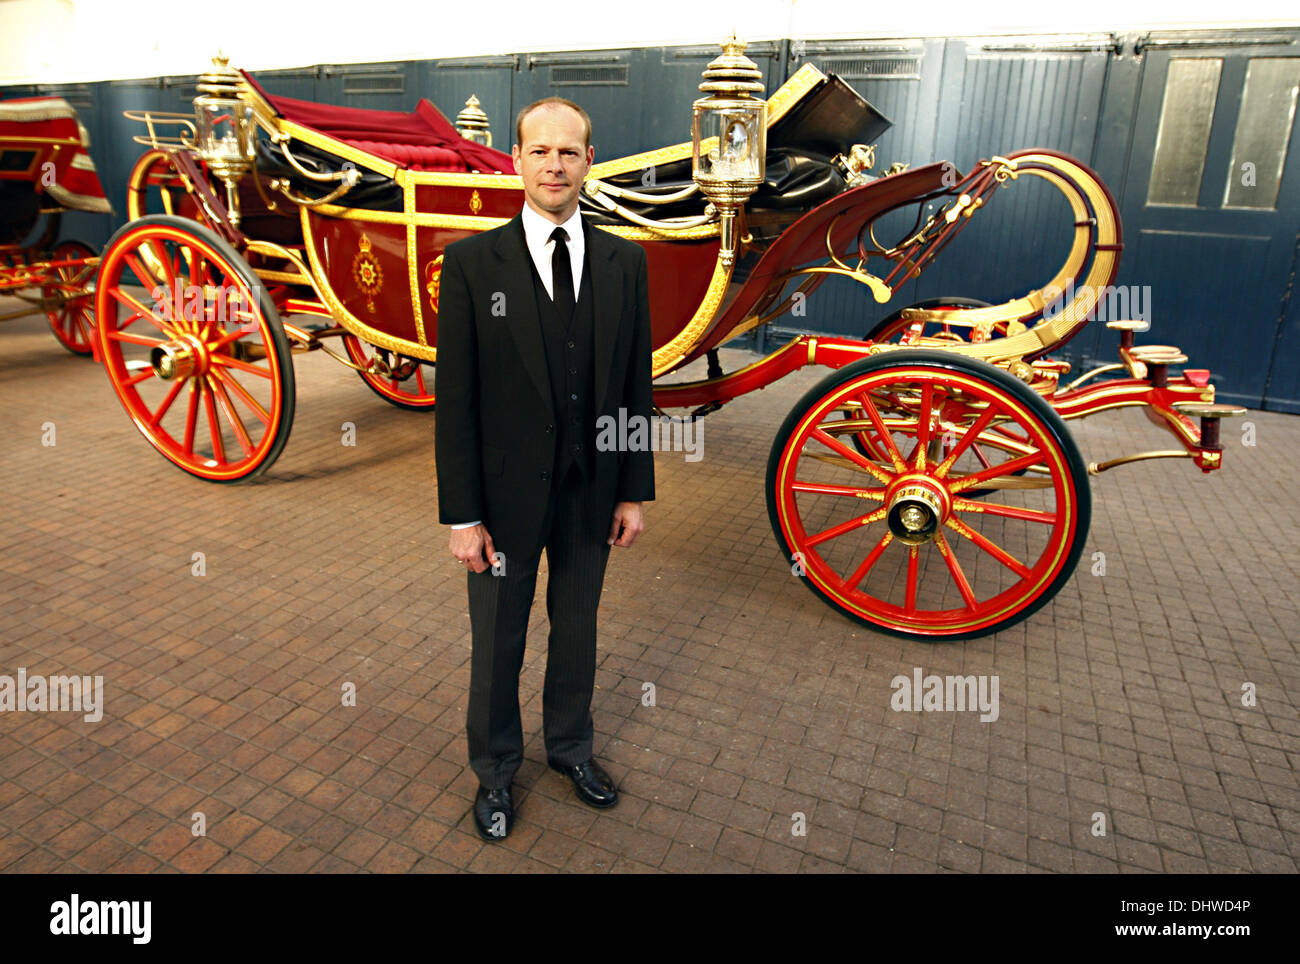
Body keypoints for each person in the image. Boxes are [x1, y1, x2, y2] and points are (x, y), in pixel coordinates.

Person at [435, 96, 655, 841]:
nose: (554, 165)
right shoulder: (470, 265)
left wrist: (632, 491)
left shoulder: (627, 262)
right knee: (499, 641)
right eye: (539, 151)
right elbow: (455, 402)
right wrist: (462, 515)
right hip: (500, 502)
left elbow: (633, 386)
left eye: (569, 152)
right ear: (515, 160)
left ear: (589, 161)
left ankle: (569, 750)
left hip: (589, 494)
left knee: (578, 630)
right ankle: (495, 773)